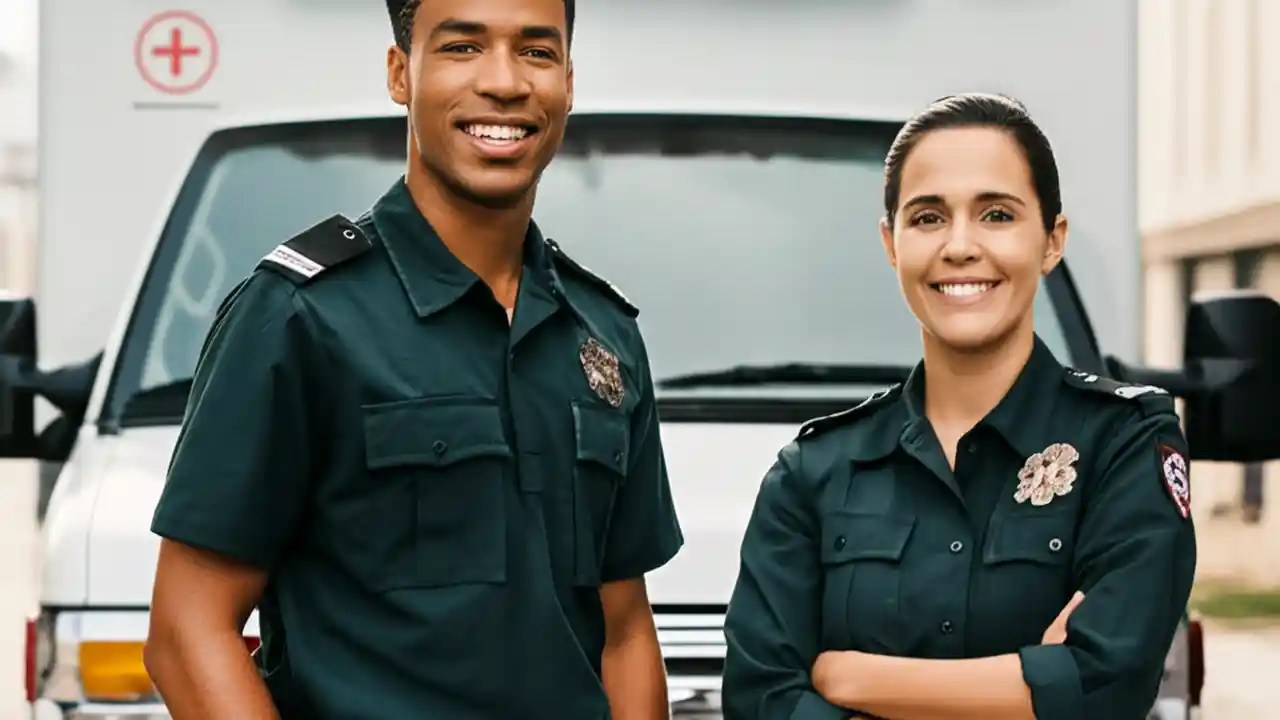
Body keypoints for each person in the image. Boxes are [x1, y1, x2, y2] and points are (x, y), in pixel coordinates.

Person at [142, 0, 684, 717]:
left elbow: (623, 634)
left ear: (569, 81)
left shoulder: (604, 334)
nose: (505, 82)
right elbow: (188, 631)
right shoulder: (300, 318)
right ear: (401, 73)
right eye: (462, 47)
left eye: (537, 52)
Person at [721, 93, 1196, 720]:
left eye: (997, 214)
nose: (960, 246)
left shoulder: (1125, 443)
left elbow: (1105, 684)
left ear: (1052, 240)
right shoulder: (813, 471)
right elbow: (760, 701)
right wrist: (1031, 685)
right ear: (891, 244)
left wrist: (849, 677)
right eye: (927, 218)